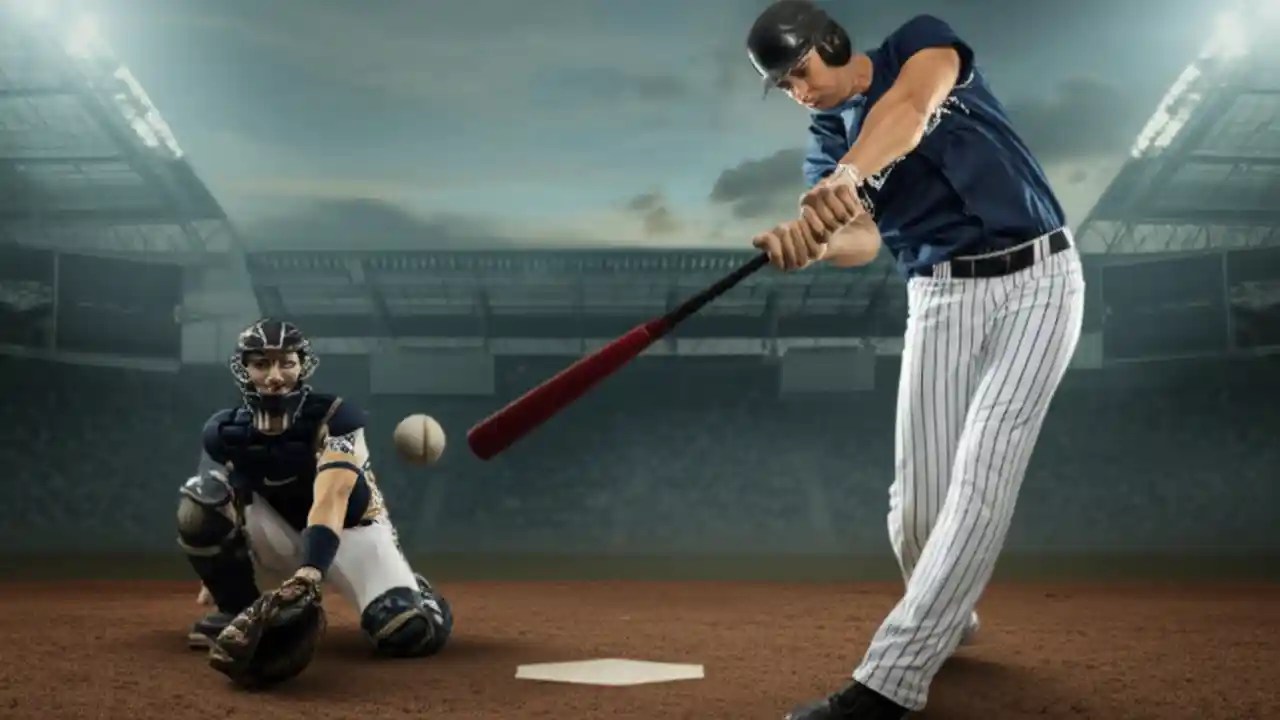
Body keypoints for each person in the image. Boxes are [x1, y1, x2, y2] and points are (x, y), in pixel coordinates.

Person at [743, 2, 1085, 718]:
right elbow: (860, 240)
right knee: (915, 511)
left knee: (981, 476)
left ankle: (887, 685)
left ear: (832, 41)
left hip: (1041, 281)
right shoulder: (825, 141)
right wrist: (812, 243)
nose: (799, 92)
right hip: (940, 296)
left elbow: (910, 107)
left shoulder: (920, 44)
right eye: (785, 85)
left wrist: (849, 176)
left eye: (800, 71)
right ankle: (948, 615)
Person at [177, 318, 453, 664]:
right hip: (275, 531)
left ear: (302, 366)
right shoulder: (223, 429)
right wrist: (219, 574)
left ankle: (419, 597)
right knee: (198, 504)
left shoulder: (338, 418)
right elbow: (215, 494)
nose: (275, 376)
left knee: (407, 633)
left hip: (351, 532)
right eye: (261, 364)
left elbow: (332, 495)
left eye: (286, 363)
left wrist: (311, 570)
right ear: (244, 369)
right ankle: (236, 610)